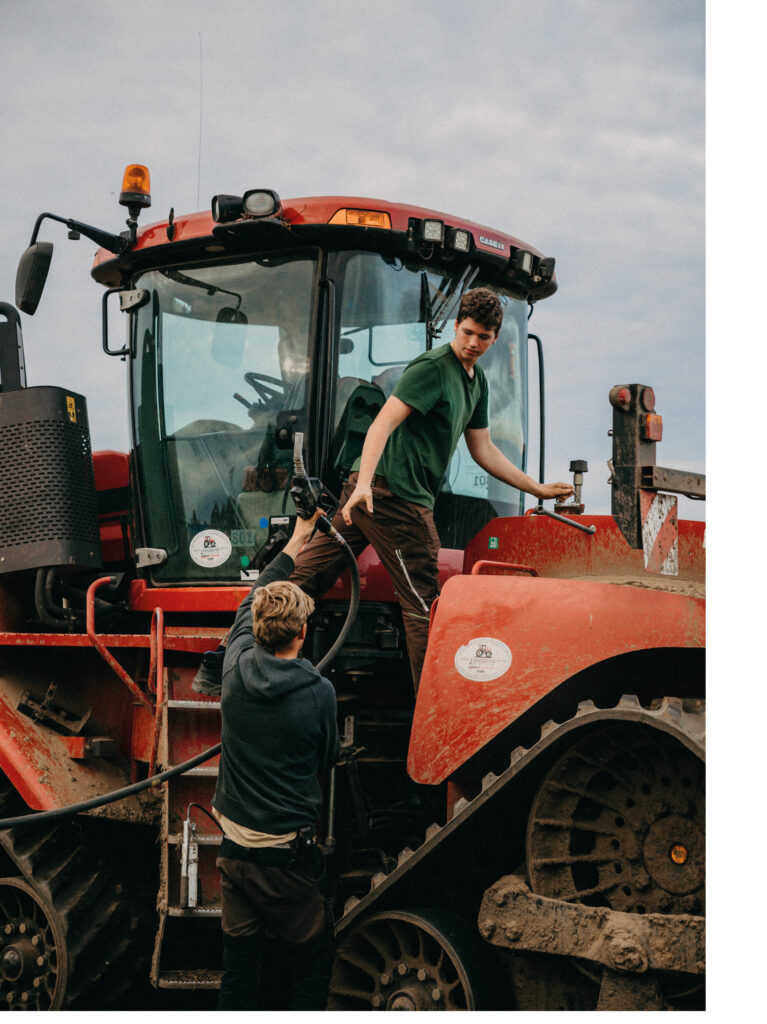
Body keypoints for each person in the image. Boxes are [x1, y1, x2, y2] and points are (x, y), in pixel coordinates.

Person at [290, 287, 574, 690]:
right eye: (468, 333)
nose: (473, 343)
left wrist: (538, 489)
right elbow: (382, 424)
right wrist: (365, 485)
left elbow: (484, 450)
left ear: (495, 338)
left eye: (484, 337)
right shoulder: (433, 368)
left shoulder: (476, 384)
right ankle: (436, 712)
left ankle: (233, 653)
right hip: (392, 496)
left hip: (376, 493)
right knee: (424, 601)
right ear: (456, 326)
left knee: (305, 576)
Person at [211, 510, 339, 1010]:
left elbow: (257, 591)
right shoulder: (319, 693)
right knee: (312, 969)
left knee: (238, 976)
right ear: (302, 632)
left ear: (258, 626)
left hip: (234, 856)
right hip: (284, 863)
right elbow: (325, 759)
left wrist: (297, 539)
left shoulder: (236, 665)